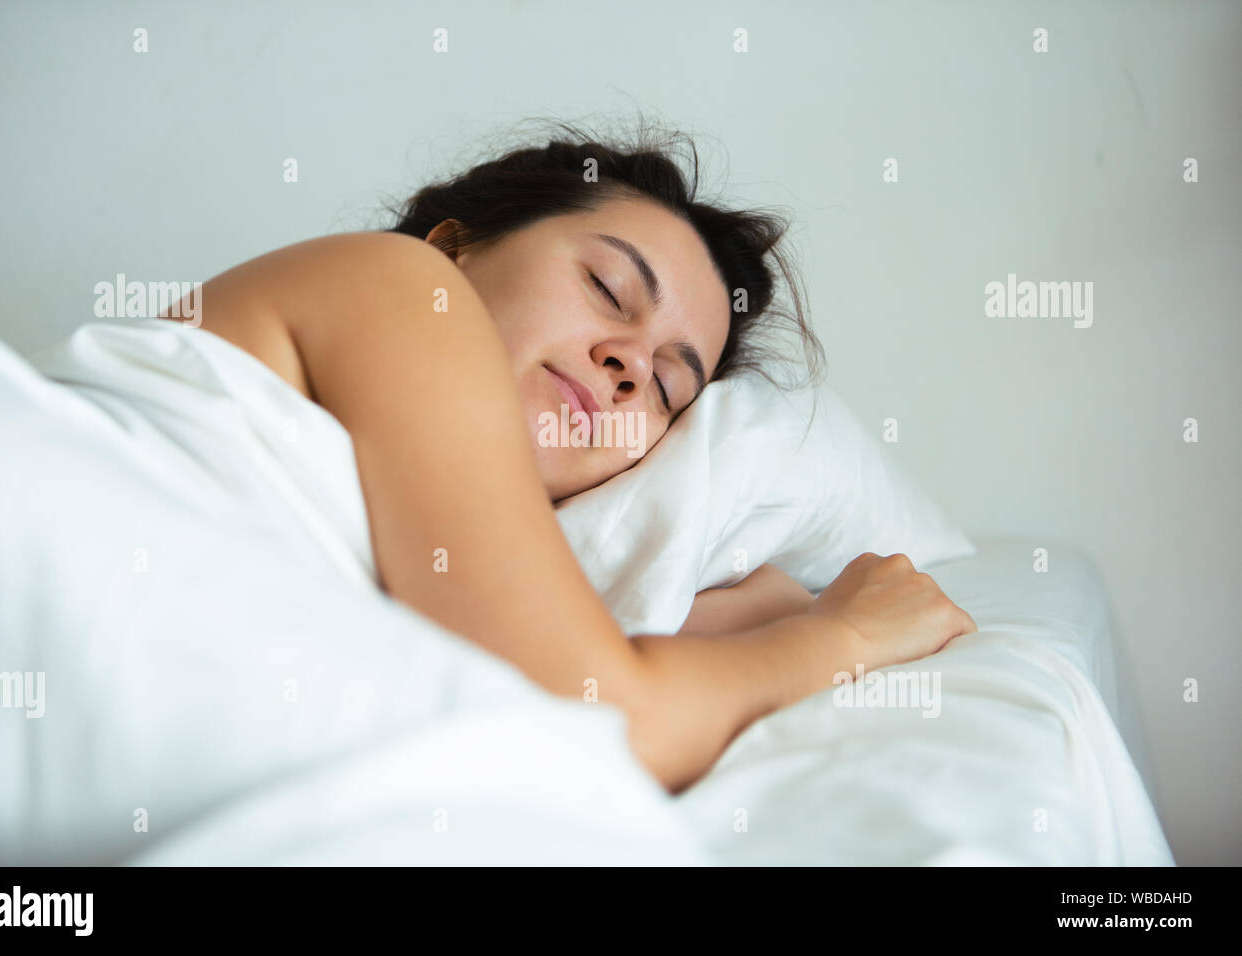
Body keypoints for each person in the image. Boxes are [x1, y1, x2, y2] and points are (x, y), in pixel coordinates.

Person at [157, 123, 977, 793]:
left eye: (666, 386)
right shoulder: (399, 284)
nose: (628, 367)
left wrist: (737, 611)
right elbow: (598, 724)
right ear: (456, 245)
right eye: (610, 289)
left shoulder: (419, 552)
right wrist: (840, 640)